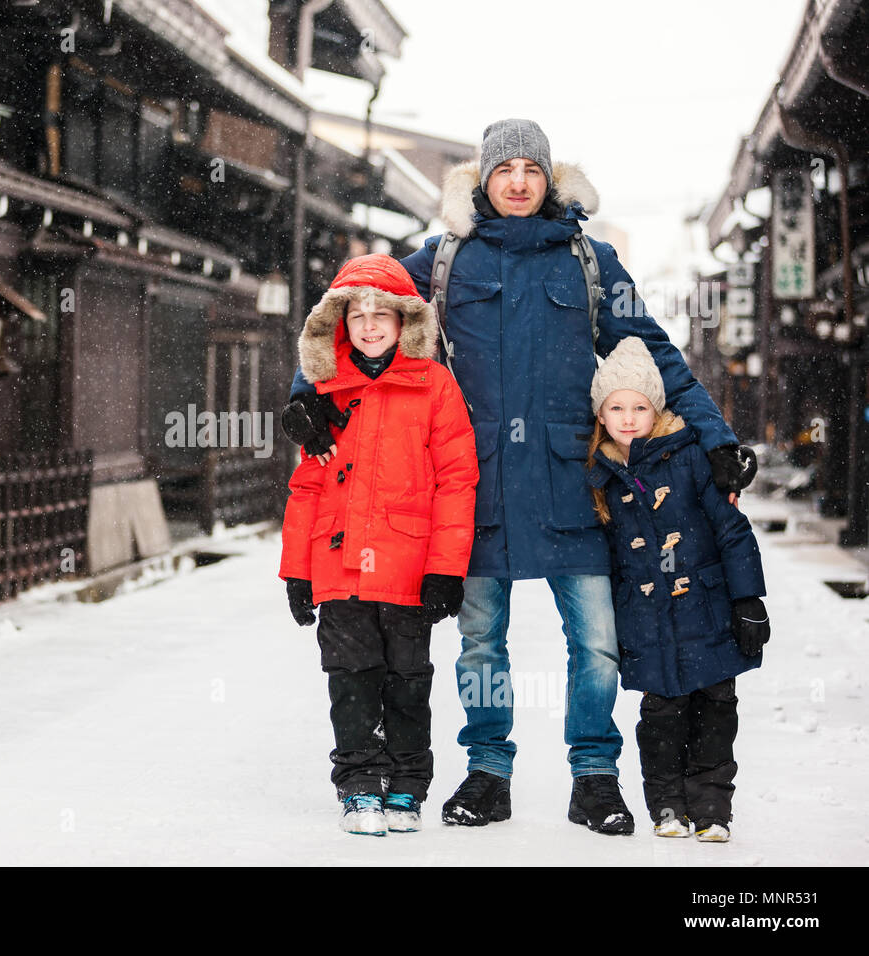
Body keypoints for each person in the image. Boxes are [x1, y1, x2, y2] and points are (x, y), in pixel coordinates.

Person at [280, 119, 758, 836]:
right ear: (484, 179)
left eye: (531, 170)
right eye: (505, 170)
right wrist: (305, 394)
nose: (518, 182)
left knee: (596, 639)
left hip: (574, 485)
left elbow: (653, 351)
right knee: (481, 642)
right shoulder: (442, 261)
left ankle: (594, 775)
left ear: (548, 179)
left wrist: (716, 438)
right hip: (475, 488)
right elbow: (355, 306)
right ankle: (487, 772)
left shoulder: (589, 261)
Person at [279, 253, 478, 836]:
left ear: (405, 322)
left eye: (382, 315)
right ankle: (360, 784)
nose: (369, 326)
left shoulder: (434, 386)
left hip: (409, 566)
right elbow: (307, 483)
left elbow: (456, 479)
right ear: (339, 323)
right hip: (339, 566)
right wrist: (297, 570)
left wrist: (446, 568)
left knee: (408, 680)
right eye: (356, 315)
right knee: (350, 676)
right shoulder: (324, 394)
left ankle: (408, 785)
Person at [587, 337, 768, 842]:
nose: (627, 418)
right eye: (616, 407)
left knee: (715, 709)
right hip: (646, 619)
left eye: (639, 407)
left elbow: (732, 531)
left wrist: (748, 600)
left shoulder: (691, 457)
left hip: (706, 609)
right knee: (661, 715)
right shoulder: (602, 476)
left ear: (656, 408)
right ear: (601, 414)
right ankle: (667, 805)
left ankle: (712, 807)